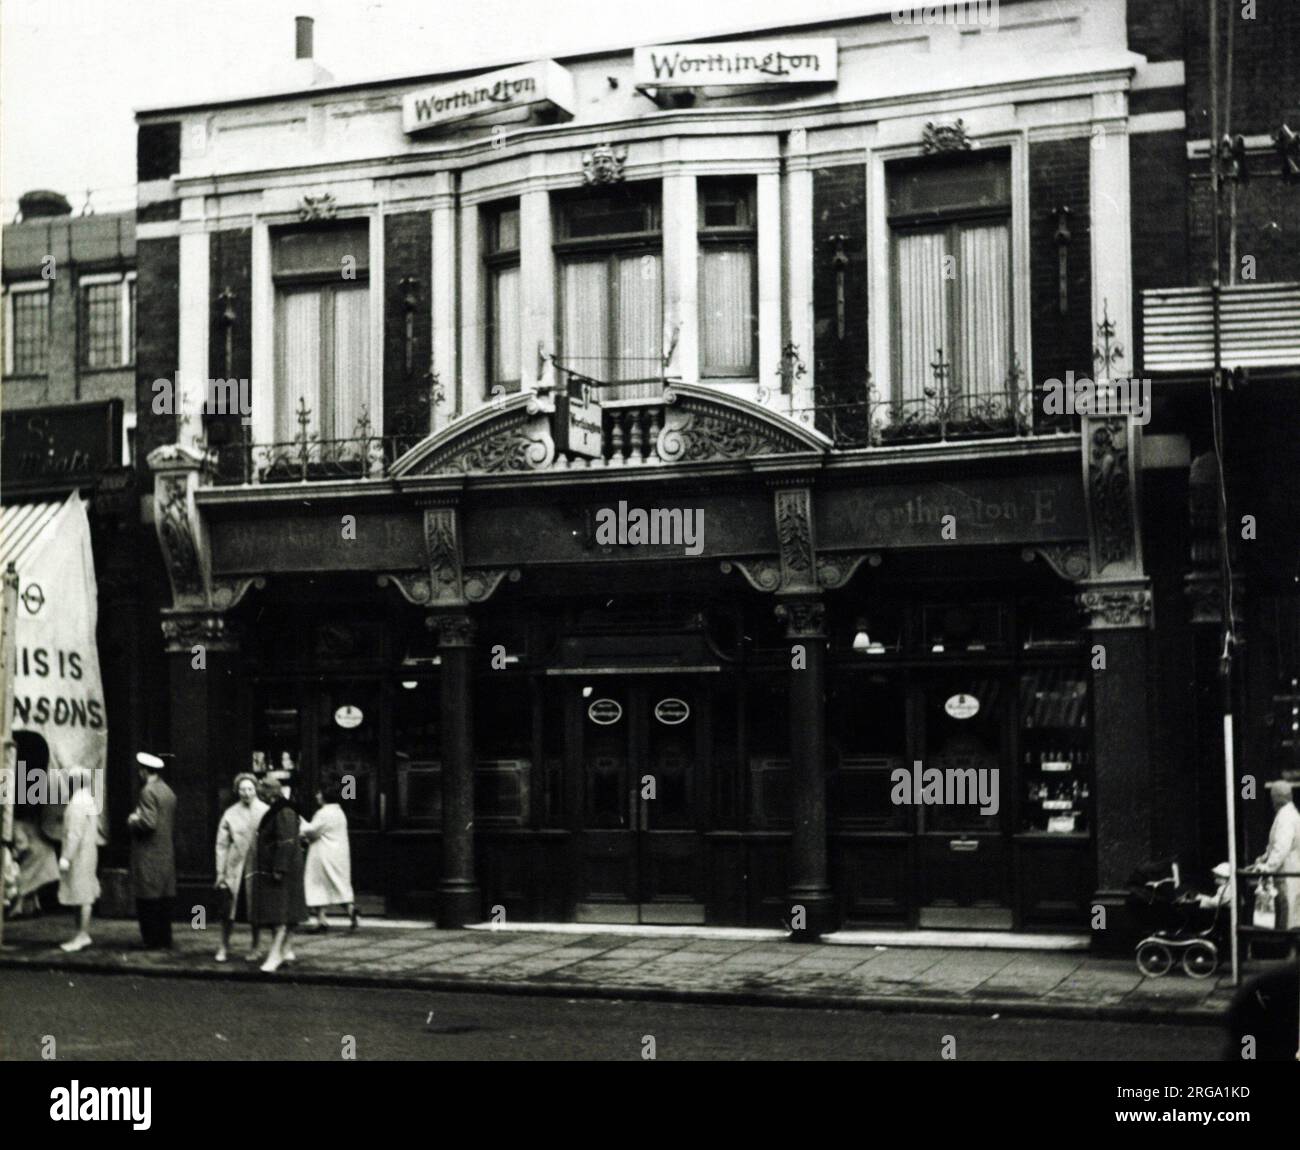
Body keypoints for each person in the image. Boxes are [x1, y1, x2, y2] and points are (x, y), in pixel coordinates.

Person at [251, 772, 306, 973]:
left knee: (280, 916)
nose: (259, 793)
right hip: (281, 869)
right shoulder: (280, 809)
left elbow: (286, 842)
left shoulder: (283, 811)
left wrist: (279, 868)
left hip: (283, 871)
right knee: (284, 914)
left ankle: (275, 956)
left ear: (269, 792)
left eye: (262, 789)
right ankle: (284, 951)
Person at [213, 773, 269, 963]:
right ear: (237, 791)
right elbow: (221, 844)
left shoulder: (265, 811)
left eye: (250, 789)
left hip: (256, 867)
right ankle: (223, 946)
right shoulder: (230, 813)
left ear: (256, 790)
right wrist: (220, 872)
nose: (246, 793)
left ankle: (255, 947)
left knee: (256, 910)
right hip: (234, 868)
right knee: (227, 910)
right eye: (243, 789)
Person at [127, 751, 177, 948]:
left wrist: (133, 820)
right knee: (163, 900)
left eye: (140, 771)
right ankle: (165, 940)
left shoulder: (147, 791)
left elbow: (148, 823)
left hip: (148, 854)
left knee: (147, 900)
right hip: (165, 853)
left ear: (144, 772)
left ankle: (152, 942)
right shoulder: (167, 790)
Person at [301, 785, 358, 932]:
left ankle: (321, 920)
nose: (317, 796)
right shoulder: (339, 812)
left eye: (319, 793)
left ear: (325, 796)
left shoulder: (323, 813)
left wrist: (301, 824)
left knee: (317, 885)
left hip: (322, 854)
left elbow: (312, 832)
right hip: (338, 854)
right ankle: (351, 910)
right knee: (339, 884)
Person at [56, 766, 100, 952]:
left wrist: (66, 857)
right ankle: (81, 933)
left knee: (82, 895)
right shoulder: (87, 799)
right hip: (87, 852)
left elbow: (74, 833)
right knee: (83, 894)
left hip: (79, 854)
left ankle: (82, 934)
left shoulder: (78, 803)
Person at [1252, 780, 1300, 932]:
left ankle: (1290, 952)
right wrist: (1265, 857)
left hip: (1287, 873)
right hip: (1290, 870)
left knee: (1289, 912)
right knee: (1292, 912)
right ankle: (1290, 951)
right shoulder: (1290, 814)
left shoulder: (1286, 818)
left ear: (1276, 798)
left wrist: (1268, 867)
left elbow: (1281, 847)